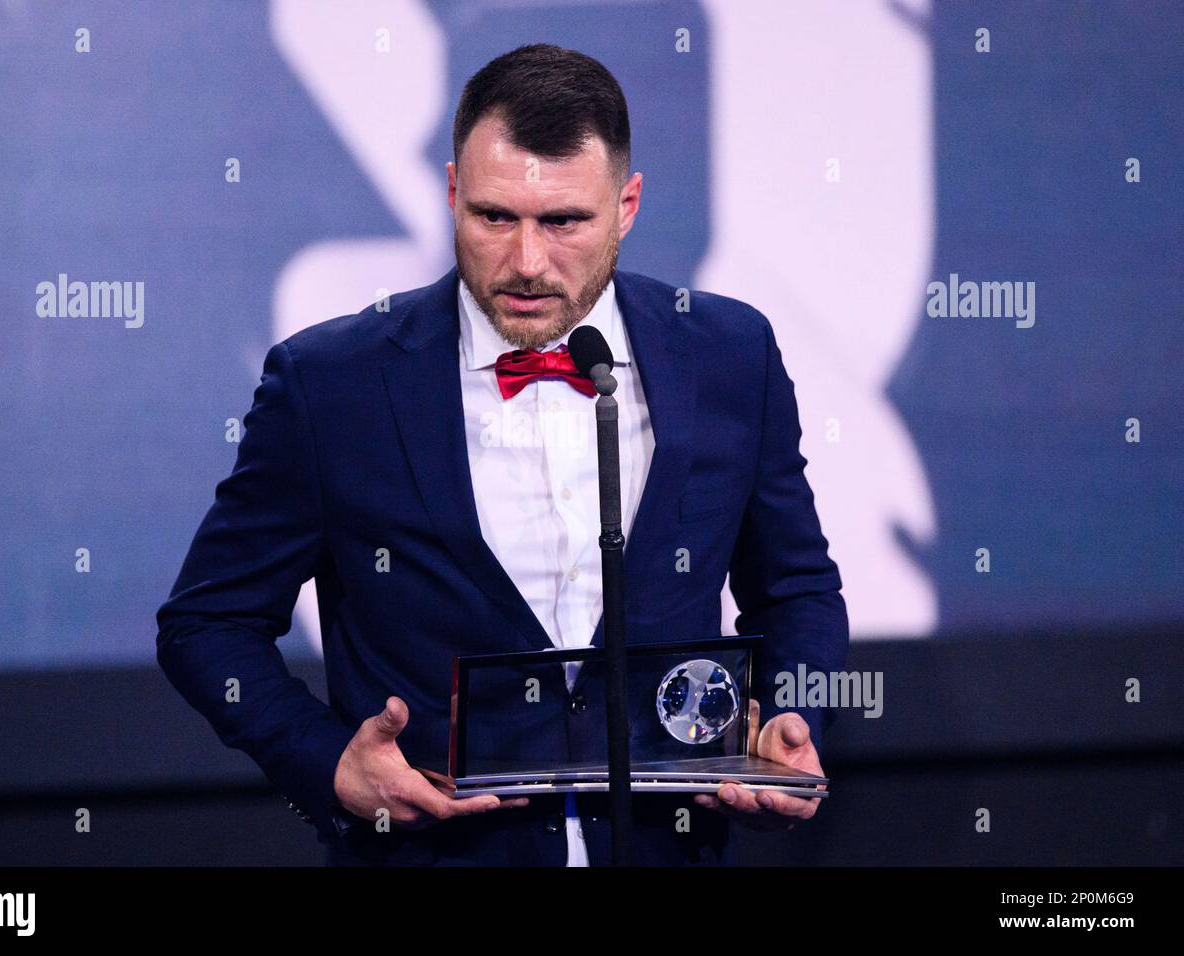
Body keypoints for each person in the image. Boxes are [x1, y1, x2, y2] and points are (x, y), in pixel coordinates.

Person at [156, 43, 849, 866]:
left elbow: (797, 588)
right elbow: (207, 622)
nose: (526, 262)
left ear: (627, 206)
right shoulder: (331, 385)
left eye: (564, 222)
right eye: (494, 217)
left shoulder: (731, 355)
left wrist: (789, 719)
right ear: (451, 192)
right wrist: (329, 762)